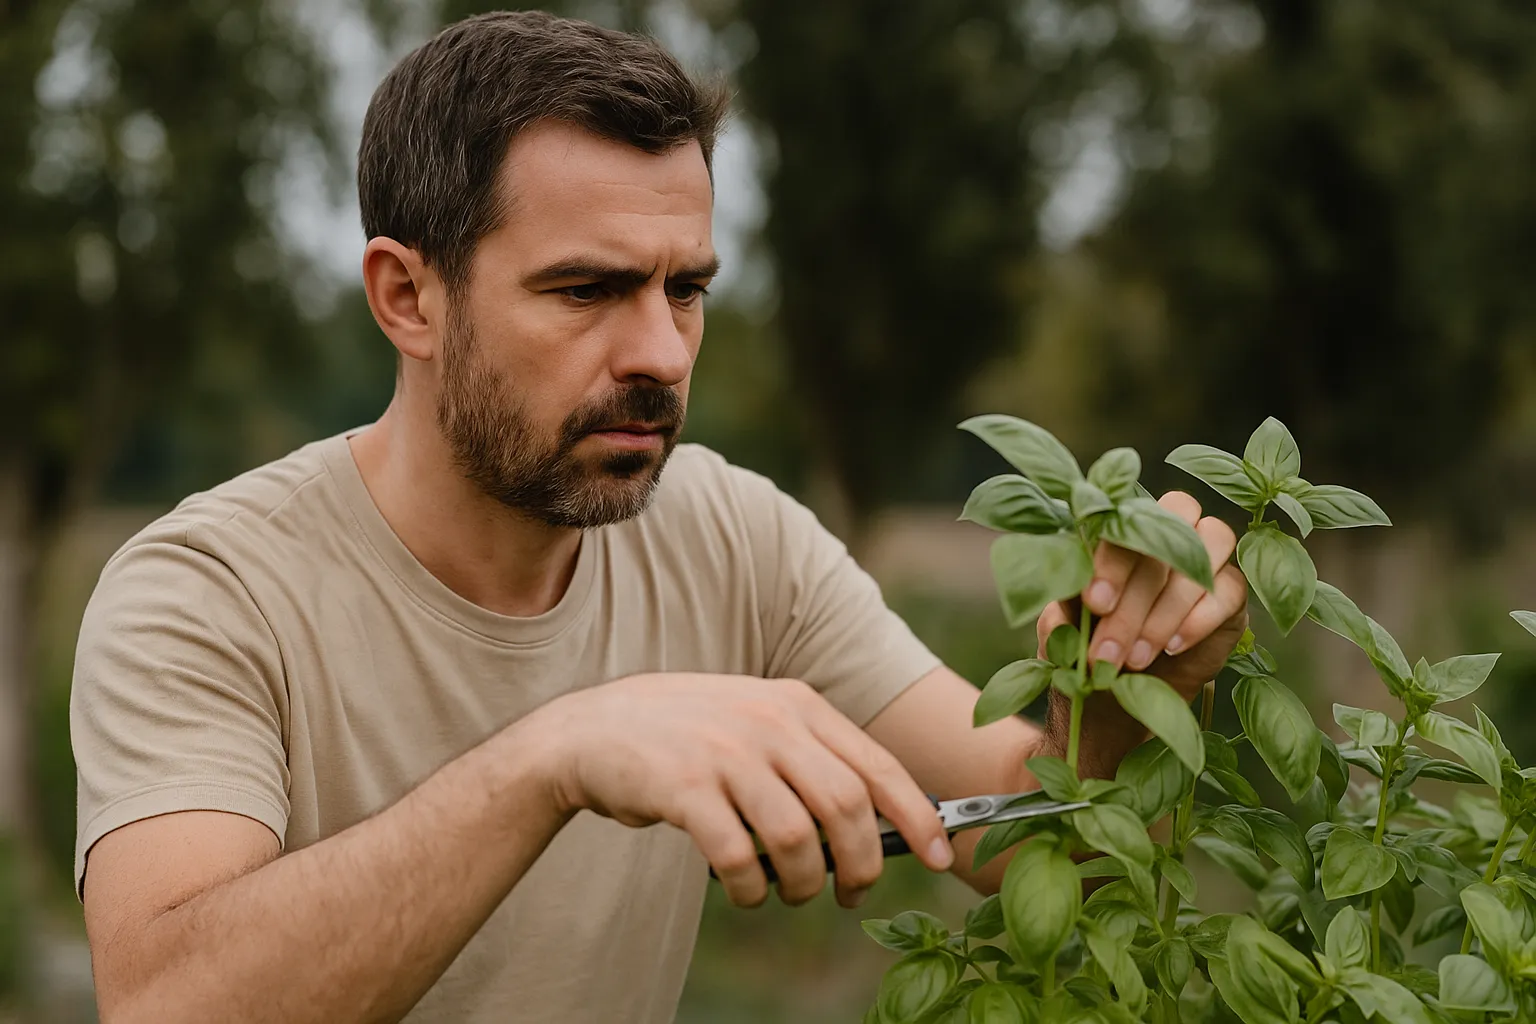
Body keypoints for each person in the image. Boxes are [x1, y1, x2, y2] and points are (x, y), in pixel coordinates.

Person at [70, 10, 1248, 1024]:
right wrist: (553, 757)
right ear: (407, 296)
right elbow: (166, 1001)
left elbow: (1029, 833)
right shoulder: (207, 590)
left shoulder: (735, 534)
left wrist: (1126, 692)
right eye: (586, 288)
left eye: (685, 288)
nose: (661, 353)